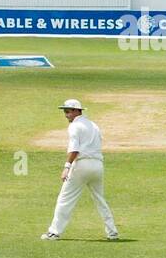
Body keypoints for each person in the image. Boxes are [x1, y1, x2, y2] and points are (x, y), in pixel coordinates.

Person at [41, 99, 118, 241]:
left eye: (68, 111)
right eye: (65, 111)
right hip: (98, 165)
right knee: (100, 199)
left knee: (65, 199)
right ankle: (112, 232)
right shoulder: (94, 125)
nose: (66, 115)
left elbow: (74, 149)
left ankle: (54, 232)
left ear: (77, 111)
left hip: (82, 165)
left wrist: (66, 167)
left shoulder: (75, 126)